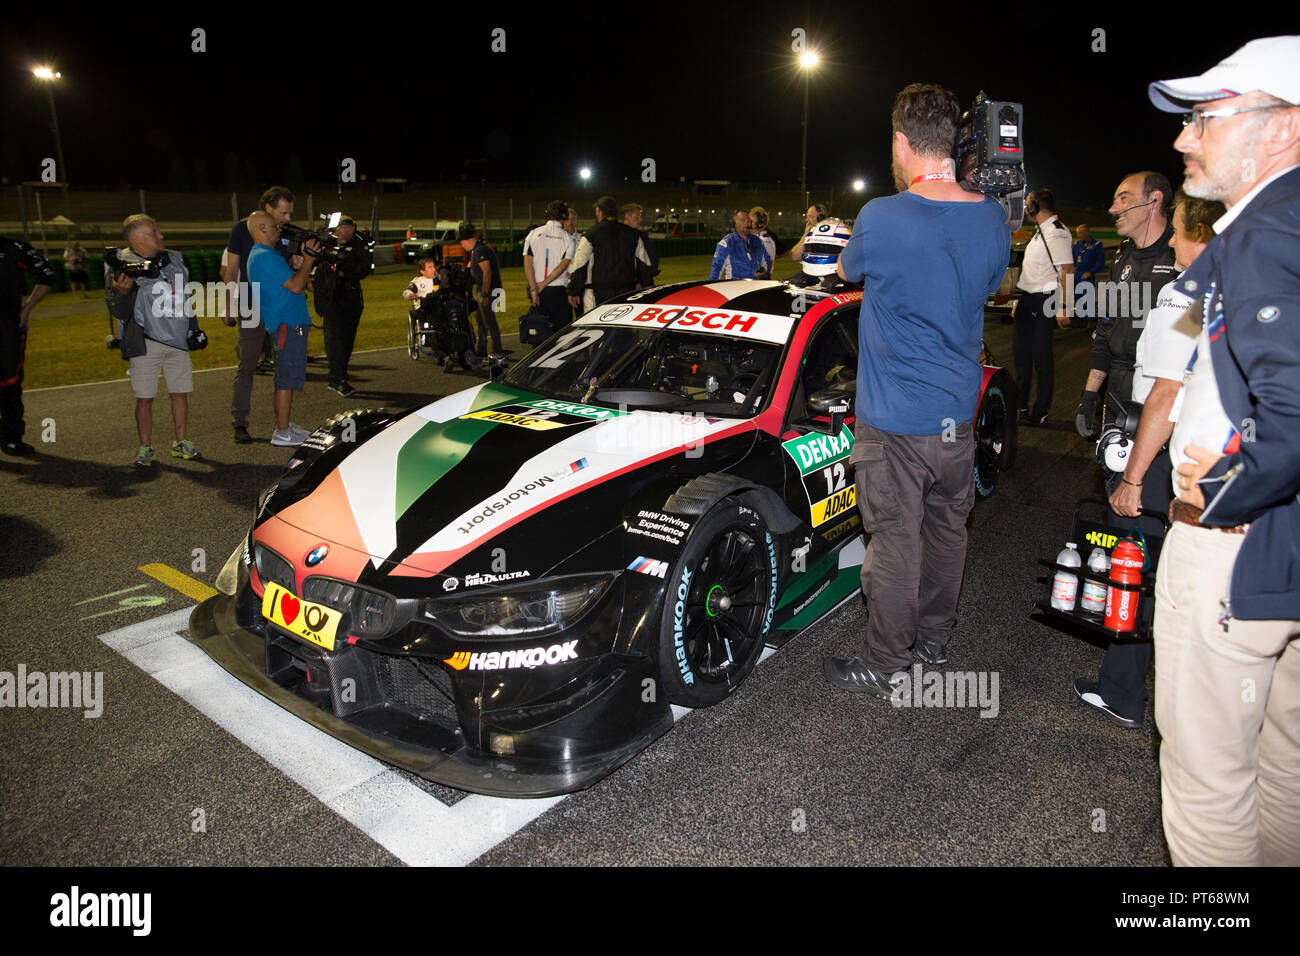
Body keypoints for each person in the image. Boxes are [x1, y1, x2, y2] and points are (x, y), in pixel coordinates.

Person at [1145, 35, 1300, 867]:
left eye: (1207, 118)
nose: (1184, 138)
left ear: (1283, 128)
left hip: (1239, 548)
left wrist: (1225, 493)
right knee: (1284, 765)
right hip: (1282, 547)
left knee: (1209, 786)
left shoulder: (1270, 232)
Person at [821, 83, 1009, 698]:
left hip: (895, 421)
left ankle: (886, 659)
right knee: (949, 529)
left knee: (896, 539)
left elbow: (844, 271)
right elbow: (991, 285)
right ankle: (934, 638)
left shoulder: (880, 215)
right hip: (957, 416)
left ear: (902, 143)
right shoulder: (990, 216)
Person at [1073, 192, 1223, 730]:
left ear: (1198, 235)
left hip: (1161, 453)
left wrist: (1132, 477)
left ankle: (1125, 693)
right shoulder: (1229, 288)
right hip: (1207, 464)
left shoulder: (1183, 296)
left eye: (1181, 231)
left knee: (1135, 568)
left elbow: (1164, 392)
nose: (1175, 241)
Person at [1074, 172, 1178, 438]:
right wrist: (1089, 395)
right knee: (1113, 470)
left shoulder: (1183, 253)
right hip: (1118, 385)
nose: (1112, 209)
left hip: (1162, 389)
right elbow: (1106, 327)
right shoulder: (1122, 256)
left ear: (1154, 200)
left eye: (1123, 199)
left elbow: (1196, 333)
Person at [105, 215, 200, 468]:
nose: (161, 236)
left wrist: (194, 328)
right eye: (153, 233)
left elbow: (184, 296)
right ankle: (145, 447)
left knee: (180, 393)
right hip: (144, 341)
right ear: (136, 238)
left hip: (177, 339)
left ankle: (181, 442)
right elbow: (119, 312)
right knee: (145, 397)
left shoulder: (174, 259)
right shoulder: (120, 263)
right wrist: (123, 293)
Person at [225, 186, 295, 444]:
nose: (287, 219)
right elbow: (231, 270)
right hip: (251, 305)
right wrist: (228, 304)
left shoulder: (286, 234)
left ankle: (283, 424)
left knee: (286, 365)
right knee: (247, 364)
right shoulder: (241, 230)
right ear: (267, 208)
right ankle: (240, 422)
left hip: (279, 306)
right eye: (283, 213)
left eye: (289, 213)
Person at [247, 210, 319, 447]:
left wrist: (299, 265)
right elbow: (297, 286)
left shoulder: (267, 256)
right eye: (274, 227)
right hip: (287, 323)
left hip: (292, 322)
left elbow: (297, 281)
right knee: (287, 378)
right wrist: (308, 259)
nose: (279, 230)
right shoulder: (263, 256)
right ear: (262, 229)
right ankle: (282, 431)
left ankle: (285, 426)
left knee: (291, 374)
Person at [1008, 187, 1074, 426]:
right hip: (1028, 298)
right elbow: (1032, 270)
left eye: (1027, 204)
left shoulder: (1057, 233)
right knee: (1021, 357)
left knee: (1041, 359)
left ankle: (1041, 410)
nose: (1025, 209)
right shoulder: (1039, 232)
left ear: (1035, 207)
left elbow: (1067, 270)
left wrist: (1064, 306)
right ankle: (1021, 407)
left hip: (1045, 299)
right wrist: (1019, 299)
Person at [0, 237, 55, 456]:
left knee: (9, 383)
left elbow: (47, 275)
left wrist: (26, 309)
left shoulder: (14, 247)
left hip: (7, 329)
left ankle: (11, 438)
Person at [313, 215, 372, 397]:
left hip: (350, 293)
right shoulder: (325, 242)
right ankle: (337, 378)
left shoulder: (360, 243)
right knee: (334, 338)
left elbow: (365, 268)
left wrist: (343, 273)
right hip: (331, 295)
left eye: (348, 228)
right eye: (342, 228)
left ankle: (340, 375)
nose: (345, 232)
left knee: (347, 338)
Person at [568, 196, 654, 313]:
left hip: (597, 293)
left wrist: (573, 291)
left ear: (600, 212)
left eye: (597, 212)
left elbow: (580, 264)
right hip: (626, 293)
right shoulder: (633, 234)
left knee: (596, 329)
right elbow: (644, 265)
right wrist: (648, 289)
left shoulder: (591, 234)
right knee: (624, 328)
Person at [523, 201, 577, 331]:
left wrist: (534, 289)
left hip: (537, 290)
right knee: (560, 337)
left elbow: (528, 263)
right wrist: (544, 283)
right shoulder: (568, 238)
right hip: (559, 293)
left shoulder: (533, 234)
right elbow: (564, 265)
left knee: (539, 335)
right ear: (564, 216)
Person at [458, 223, 503, 359]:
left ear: (469, 240)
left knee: (489, 320)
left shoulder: (480, 251)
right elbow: (470, 270)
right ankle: (482, 349)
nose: (462, 246)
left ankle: (497, 349)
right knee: (481, 320)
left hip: (489, 290)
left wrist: (484, 294)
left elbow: (487, 273)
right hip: (488, 289)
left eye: (462, 243)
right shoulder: (476, 250)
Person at [709, 209, 769, 280]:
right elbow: (716, 269)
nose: (747, 223)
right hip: (735, 288)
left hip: (755, 288)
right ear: (735, 223)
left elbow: (766, 263)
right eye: (743, 220)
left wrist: (763, 271)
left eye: (748, 220)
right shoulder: (726, 243)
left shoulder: (758, 241)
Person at [1071, 224, 1105, 325]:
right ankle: (1080, 318)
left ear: (1087, 232)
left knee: (1087, 296)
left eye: (1080, 233)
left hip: (1088, 274)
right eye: (1077, 234)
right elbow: (1072, 258)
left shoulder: (1097, 245)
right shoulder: (1077, 244)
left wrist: (1091, 272)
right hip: (1077, 273)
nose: (1079, 236)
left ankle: (1090, 320)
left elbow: (1101, 262)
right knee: (1077, 296)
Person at [623, 203, 659, 286]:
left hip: (645, 280)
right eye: (636, 217)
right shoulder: (622, 237)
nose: (640, 220)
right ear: (627, 216)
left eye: (640, 217)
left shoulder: (641, 235)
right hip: (635, 284)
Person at [750, 206, 778, 279]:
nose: (749, 223)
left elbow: (765, 267)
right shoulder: (755, 238)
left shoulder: (765, 241)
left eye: (752, 221)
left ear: (759, 224)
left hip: (760, 280)